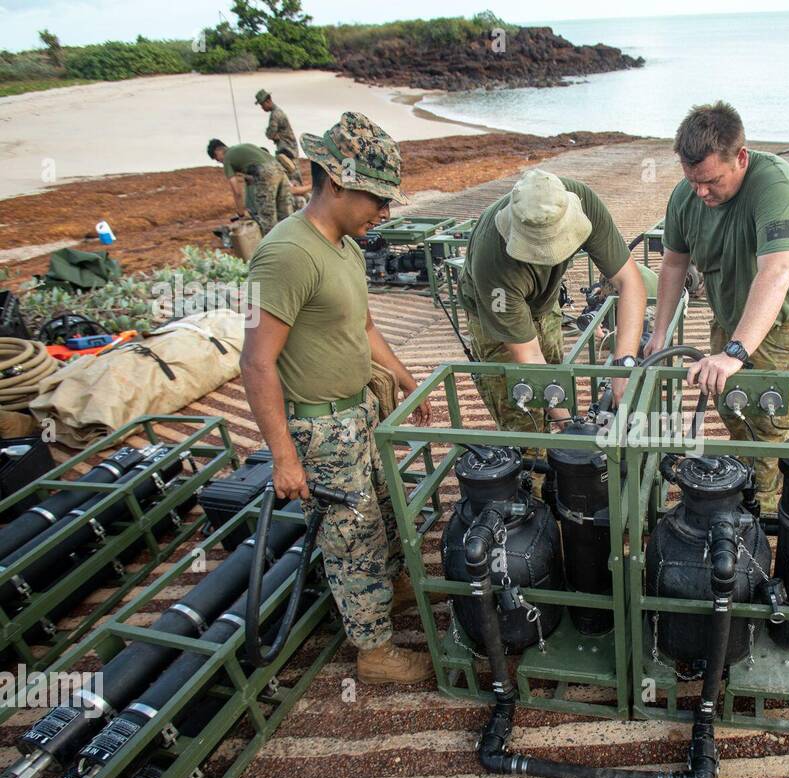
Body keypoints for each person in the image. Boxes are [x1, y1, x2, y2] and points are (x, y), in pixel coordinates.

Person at [240, 112, 434, 686]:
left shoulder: (345, 244)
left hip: (359, 409)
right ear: (338, 182)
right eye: (377, 198)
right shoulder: (283, 256)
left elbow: (363, 323)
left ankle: (389, 588)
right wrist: (283, 457)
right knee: (350, 535)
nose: (385, 213)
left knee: (381, 509)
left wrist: (399, 376)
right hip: (319, 427)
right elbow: (254, 361)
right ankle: (373, 650)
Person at [644, 101, 789, 513]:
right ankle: (747, 471)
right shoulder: (687, 198)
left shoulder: (777, 188)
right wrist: (659, 333)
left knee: (771, 417)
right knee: (728, 402)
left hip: (785, 319)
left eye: (711, 181)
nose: (701, 192)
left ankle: (762, 505)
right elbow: (673, 263)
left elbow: (777, 273)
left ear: (740, 157)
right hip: (728, 314)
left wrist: (735, 353)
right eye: (692, 181)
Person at [459, 169, 647, 435]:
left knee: (556, 383)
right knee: (524, 412)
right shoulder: (492, 259)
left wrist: (623, 364)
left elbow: (630, 283)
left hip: (546, 303)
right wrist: (573, 429)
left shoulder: (583, 202)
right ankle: (533, 463)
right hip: (494, 314)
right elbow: (528, 357)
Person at [206, 139, 294, 239]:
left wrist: (241, 214)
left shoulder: (228, 158)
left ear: (218, 151)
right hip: (280, 171)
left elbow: (236, 191)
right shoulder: (244, 147)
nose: (219, 161)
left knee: (268, 220)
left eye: (216, 158)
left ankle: (274, 249)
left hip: (266, 173)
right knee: (286, 216)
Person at [255, 88, 308, 198]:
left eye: (262, 104)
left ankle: (303, 202)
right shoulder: (277, 112)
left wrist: (271, 134)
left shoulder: (275, 115)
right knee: (292, 177)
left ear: (268, 101)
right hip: (288, 149)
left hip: (287, 150)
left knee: (292, 179)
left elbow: (270, 133)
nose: (262, 107)